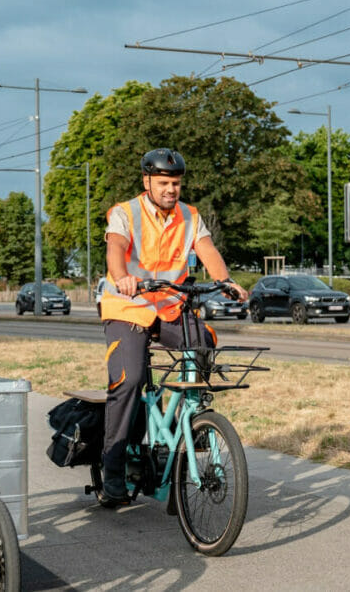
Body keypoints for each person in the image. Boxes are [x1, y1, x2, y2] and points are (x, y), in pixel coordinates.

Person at [98, 148, 248, 507]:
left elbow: (207, 249)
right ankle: (112, 469)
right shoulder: (125, 213)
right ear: (147, 181)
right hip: (128, 306)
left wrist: (226, 281)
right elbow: (116, 247)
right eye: (164, 182)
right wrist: (122, 277)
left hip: (169, 307)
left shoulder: (190, 215)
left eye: (176, 183)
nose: (170, 189)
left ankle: (191, 424)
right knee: (129, 379)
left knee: (204, 342)